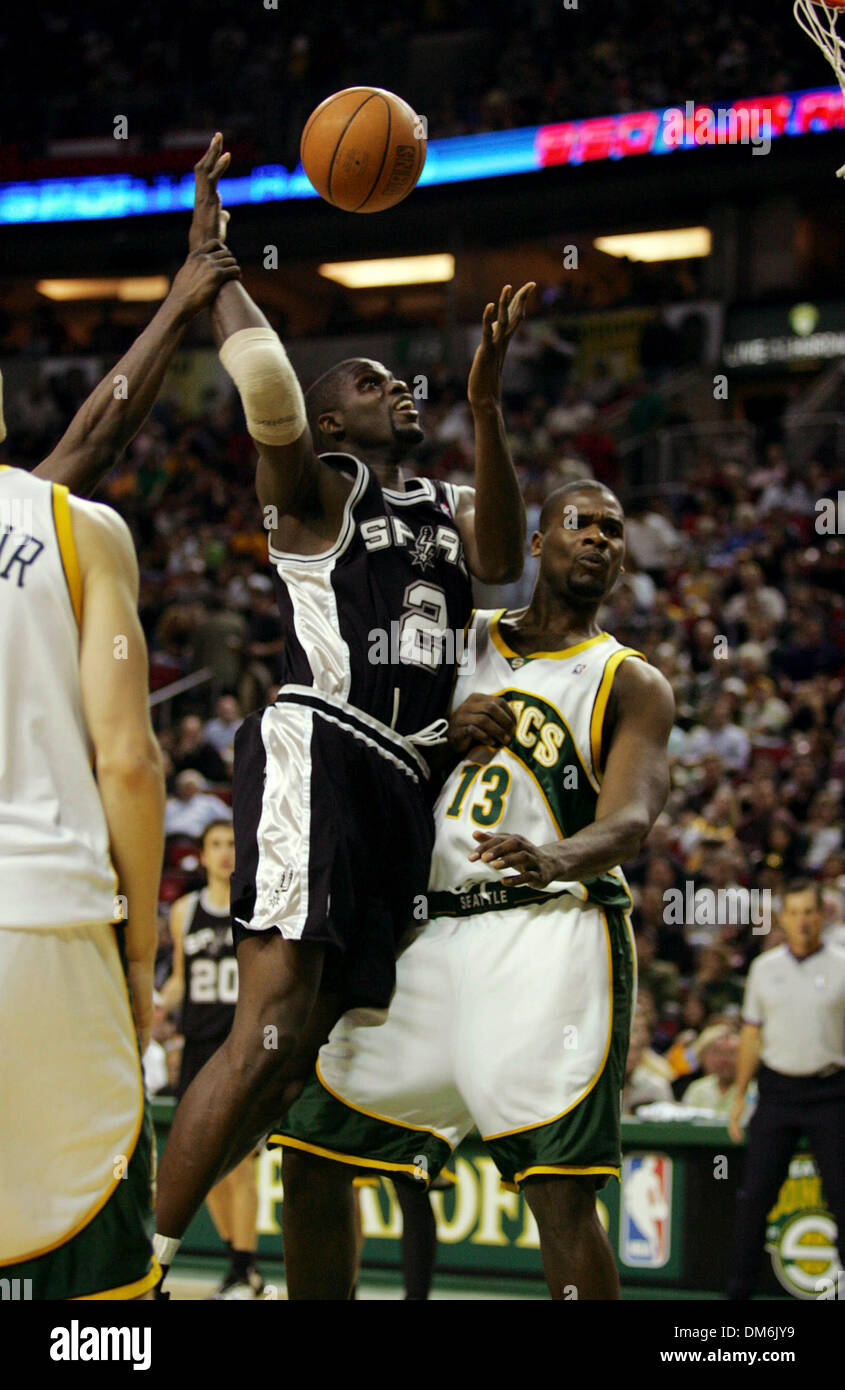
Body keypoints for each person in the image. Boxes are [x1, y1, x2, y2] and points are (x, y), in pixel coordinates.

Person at [151, 135, 533, 1287]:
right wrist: (216, 270)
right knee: (265, 1018)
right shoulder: (321, 491)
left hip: (401, 782)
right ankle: (141, 1263)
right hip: (320, 745)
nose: (391, 387)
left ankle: (248, 1252)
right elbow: (268, 391)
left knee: (298, 1045)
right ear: (330, 426)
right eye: (367, 381)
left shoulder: (445, 498)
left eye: (394, 377)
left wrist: (482, 402)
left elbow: (506, 565)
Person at [274, 480, 675, 1300]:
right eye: (579, 523)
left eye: (613, 529)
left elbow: (631, 820)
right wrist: (442, 737)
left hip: (543, 934)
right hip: (425, 934)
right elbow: (376, 744)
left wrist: (557, 857)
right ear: (535, 542)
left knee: (558, 1193)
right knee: (312, 1152)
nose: (598, 538)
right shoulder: (457, 641)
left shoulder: (629, 681)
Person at [0, 459, 165, 1298]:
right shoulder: (77, 528)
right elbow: (129, 762)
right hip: (47, 923)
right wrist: (139, 956)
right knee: (93, 1288)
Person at [159, 819, 265, 1300]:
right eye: (216, 845)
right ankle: (236, 1264)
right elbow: (182, 977)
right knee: (207, 1170)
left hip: (238, 1046)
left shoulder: (254, 905)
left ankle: (246, 1269)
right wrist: (156, 1002)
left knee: (239, 1165)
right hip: (198, 1046)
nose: (225, 852)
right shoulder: (183, 911)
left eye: (232, 844)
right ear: (201, 855)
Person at [726, 880, 845, 1300]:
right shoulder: (764, 968)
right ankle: (739, 1293)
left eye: (809, 912)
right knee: (754, 1198)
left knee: (842, 1196)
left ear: (822, 915)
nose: (802, 922)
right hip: (776, 1091)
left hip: (830, 1091)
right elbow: (751, 1037)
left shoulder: (841, 966)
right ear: (783, 918)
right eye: (793, 913)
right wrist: (740, 1097)